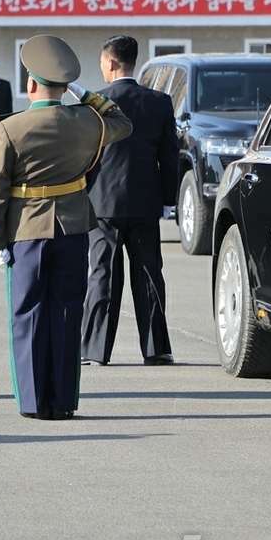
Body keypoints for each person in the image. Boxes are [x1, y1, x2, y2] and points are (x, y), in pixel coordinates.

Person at [0, 35, 132, 420]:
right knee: (67, 311)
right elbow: (123, 122)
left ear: (31, 83)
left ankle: (34, 402)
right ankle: (63, 401)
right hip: (72, 228)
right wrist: (84, 93)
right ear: (63, 85)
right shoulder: (87, 120)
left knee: (28, 312)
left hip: (24, 231)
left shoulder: (11, 128)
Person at [83, 35, 180, 367]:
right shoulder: (160, 102)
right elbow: (170, 156)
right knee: (149, 275)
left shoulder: (94, 102)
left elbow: (83, 156)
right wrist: (168, 199)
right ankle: (156, 349)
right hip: (144, 200)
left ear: (110, 63)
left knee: (103, 275)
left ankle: (95, 350)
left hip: (101, 203)